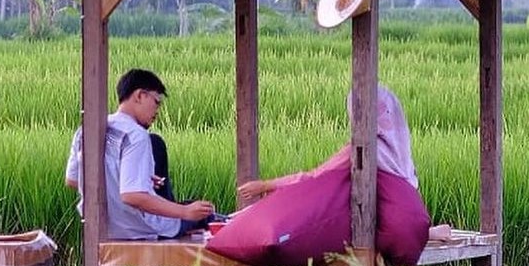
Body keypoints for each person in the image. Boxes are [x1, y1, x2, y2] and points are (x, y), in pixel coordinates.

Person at [65, 68, 215, 239]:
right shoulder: (135, 135)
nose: (157, 111)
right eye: (156, 102)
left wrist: (127, 178)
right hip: (138, 228)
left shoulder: (85, 130)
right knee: (206, 214)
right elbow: (132, 196)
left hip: (105, 227)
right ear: (140, 95)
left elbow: (73, 180)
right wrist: (185, 211)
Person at [237, 84, 419, 205]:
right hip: (412, 225)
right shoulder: (400, 152)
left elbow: (315, 178)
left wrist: (266, 186)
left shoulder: (361, 149)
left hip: (381, 231)